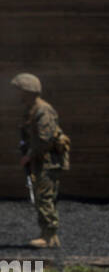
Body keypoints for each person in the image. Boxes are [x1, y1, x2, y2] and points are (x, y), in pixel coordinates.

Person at [11, 72, 66, 248]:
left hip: (47, 160)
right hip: (39, 160)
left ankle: (49, 236)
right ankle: (48, 235)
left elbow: (45, 139)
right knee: (44, 197)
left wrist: (29, 155)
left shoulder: (43, 110)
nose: (18, 94)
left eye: (20, 90)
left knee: (44, 197)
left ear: (28, 91)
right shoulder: (31, 109)